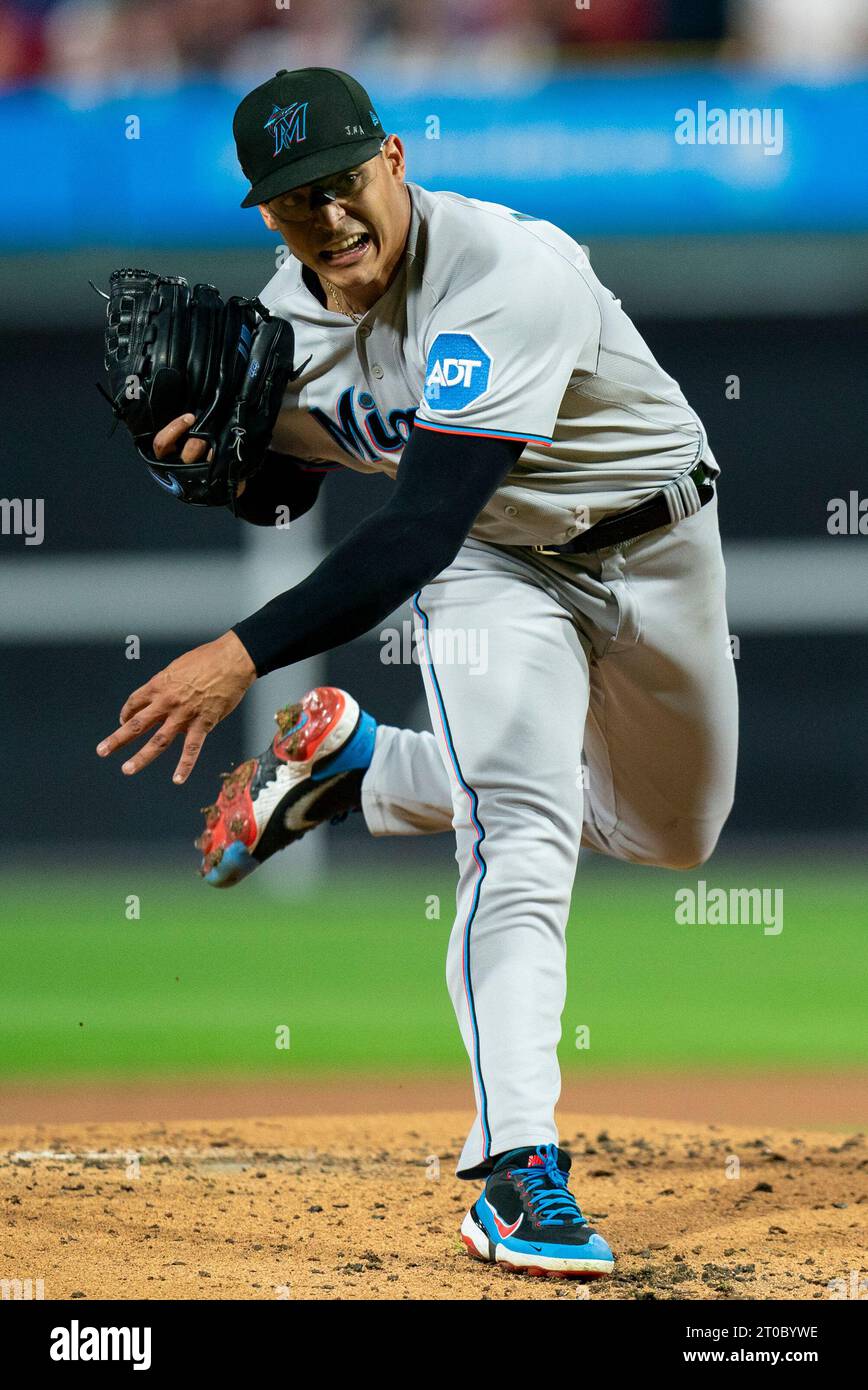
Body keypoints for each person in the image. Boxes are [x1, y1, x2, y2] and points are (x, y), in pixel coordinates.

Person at [97, 66, 738, 1279]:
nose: (328, 219)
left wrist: (238, 658)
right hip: (497, 573)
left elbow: (412, 524)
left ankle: (361, 765)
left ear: (391, 159)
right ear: (263, 215)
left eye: (341, 183)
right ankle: (517, 1171)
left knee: (673, 835)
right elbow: (297, 484)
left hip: (651, 548)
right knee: (523, 823)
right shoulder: (287, 315)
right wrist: (221, 458)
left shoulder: (507, 274)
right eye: (293, 203)